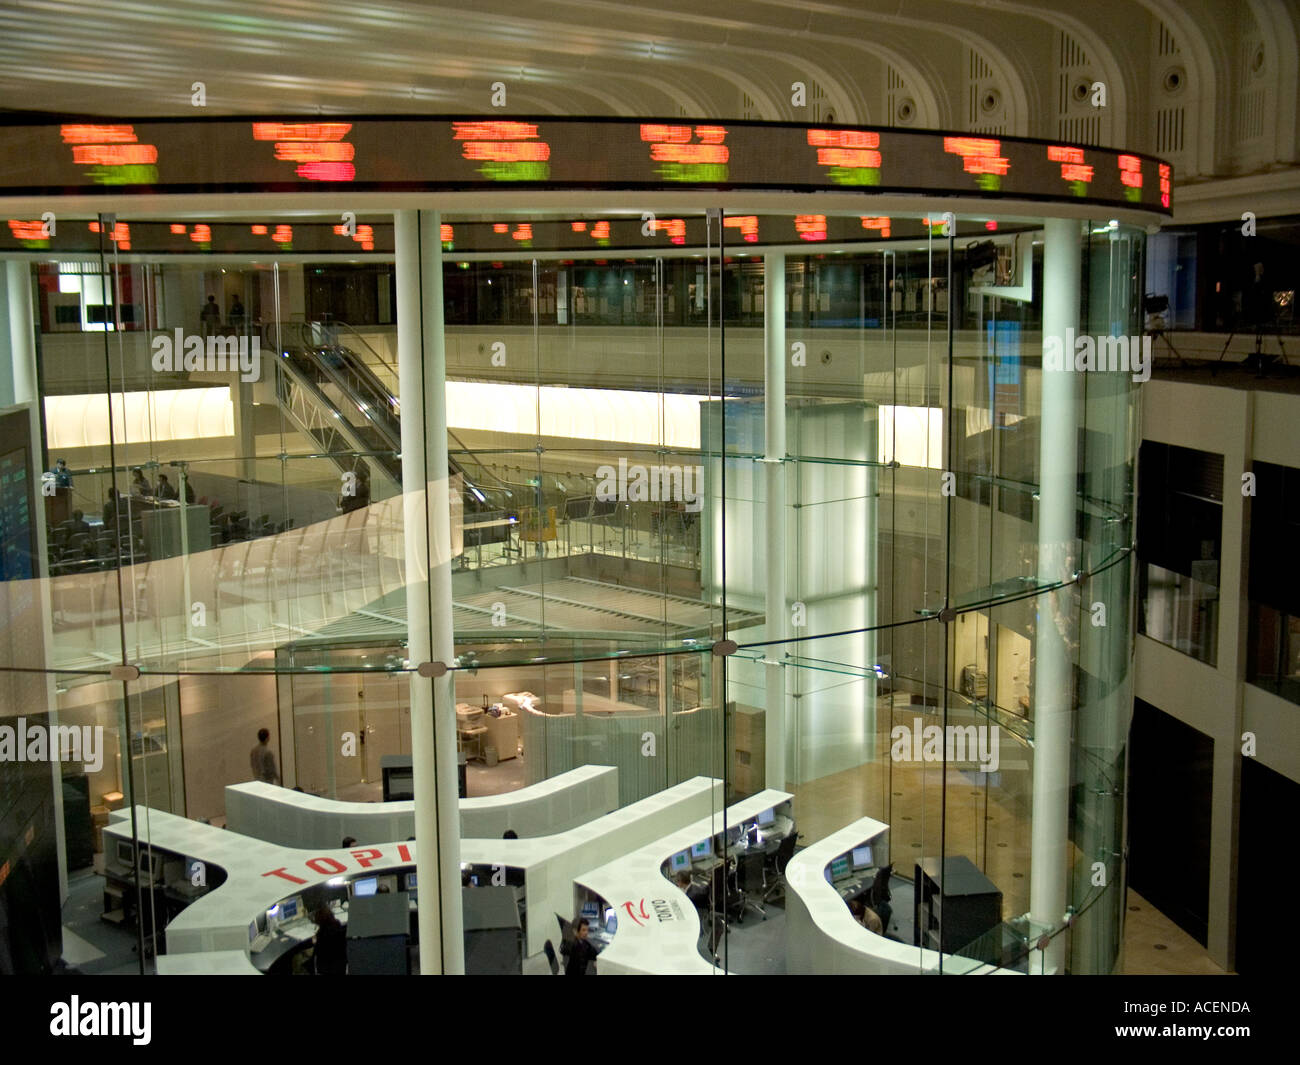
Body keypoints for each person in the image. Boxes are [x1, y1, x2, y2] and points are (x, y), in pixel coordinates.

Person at [311, 906, 347, 975]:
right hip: (341, 965)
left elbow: (317, 952)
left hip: (327, 967)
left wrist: (315, 942)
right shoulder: (338, 926)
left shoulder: (321, 934)